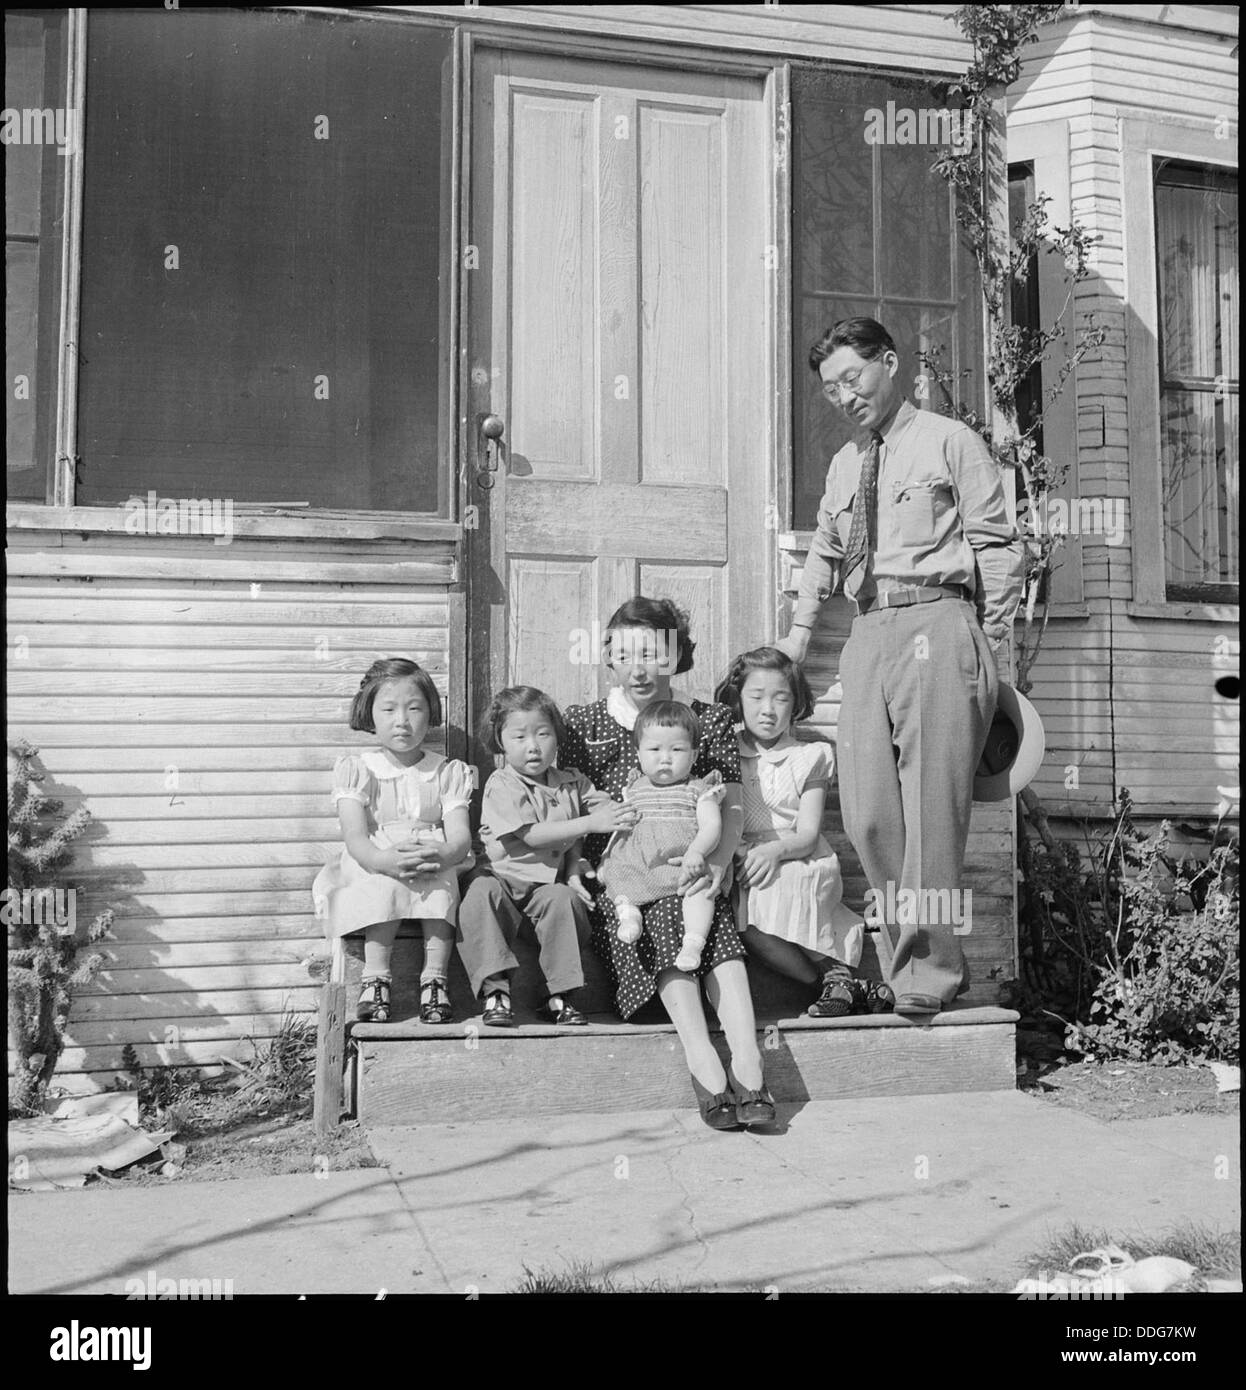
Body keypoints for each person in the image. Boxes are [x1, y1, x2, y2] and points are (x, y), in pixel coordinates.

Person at [776, 318, 1023, 1017]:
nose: (843, 396)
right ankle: (912, 960)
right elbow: (826, 550)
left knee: (932, 814)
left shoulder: (951, 441)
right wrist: (799, 634)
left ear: (889, 363)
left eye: (852, 378)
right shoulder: (845, 463)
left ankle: (927, 975)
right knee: (870, 815)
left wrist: (984, 643)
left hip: (939, 622)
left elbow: (998, 547)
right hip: (868, 630)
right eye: (830, 389)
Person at [560, 596, 774, 1130]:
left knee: (703, 904)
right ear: (607, 656)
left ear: (676, 657)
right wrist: (573, 863)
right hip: (625, 885)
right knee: (668, 913)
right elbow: (567, 803)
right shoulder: (582, 723)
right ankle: (704, 1058)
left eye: (654, 654)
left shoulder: (709, 719)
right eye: (626, 654)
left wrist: (717, 862)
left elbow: (729, 803)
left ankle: (747, 1060)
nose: (640, 668)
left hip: (695, 862)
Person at [715, 646, 889, 1017]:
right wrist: (741, 851)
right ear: (738, 698)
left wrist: (774, 851)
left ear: (795, 703)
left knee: (776, 889)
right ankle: (838, 983)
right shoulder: (724, 752)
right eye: (756, 697)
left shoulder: (810, 756)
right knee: (747, 924)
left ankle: (837, 980)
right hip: (744, 856)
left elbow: (808, 834)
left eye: (781, 698)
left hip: (797, 856)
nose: (768, 709)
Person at [456, 686, 635, 1027]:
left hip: (545, 888)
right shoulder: (502, 783)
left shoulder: (572, 781)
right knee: (478, 895)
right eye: (519, 736)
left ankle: (558, 995)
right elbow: (530, 834)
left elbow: (607, 809)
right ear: (500, 741)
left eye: (543, 734)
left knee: (564, 899)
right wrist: (589, 824)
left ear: (557, 736)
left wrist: (635, 806)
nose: (533, 746)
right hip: (501, 879)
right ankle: (496, 991)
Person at [312, 658, 474, 1024]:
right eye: (389, 709)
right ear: (369, 714)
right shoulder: (359, 770)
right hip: (375, 856)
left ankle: (435, 979)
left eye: (414, 708)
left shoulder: (446, 771)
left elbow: (460, 834)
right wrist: (383, 860)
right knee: (382, 888)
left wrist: (445, 853)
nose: (402, 720)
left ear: (430, 713)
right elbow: (355, 837)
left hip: (430, 856)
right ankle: (376, 979)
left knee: (442, 888)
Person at [597, 701, 727, 973]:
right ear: (638, 753)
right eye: (654, 749)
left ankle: (693, 942)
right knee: (618, 875)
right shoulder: (634, 787)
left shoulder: (698, 788)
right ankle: (629, 915)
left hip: (680, 861)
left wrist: (697, 851)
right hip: (639, 861)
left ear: (694, 755)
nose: (665, 758)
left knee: (700, 888)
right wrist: (607, 856)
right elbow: (621, 827)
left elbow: (712, 825)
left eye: (677, 750)